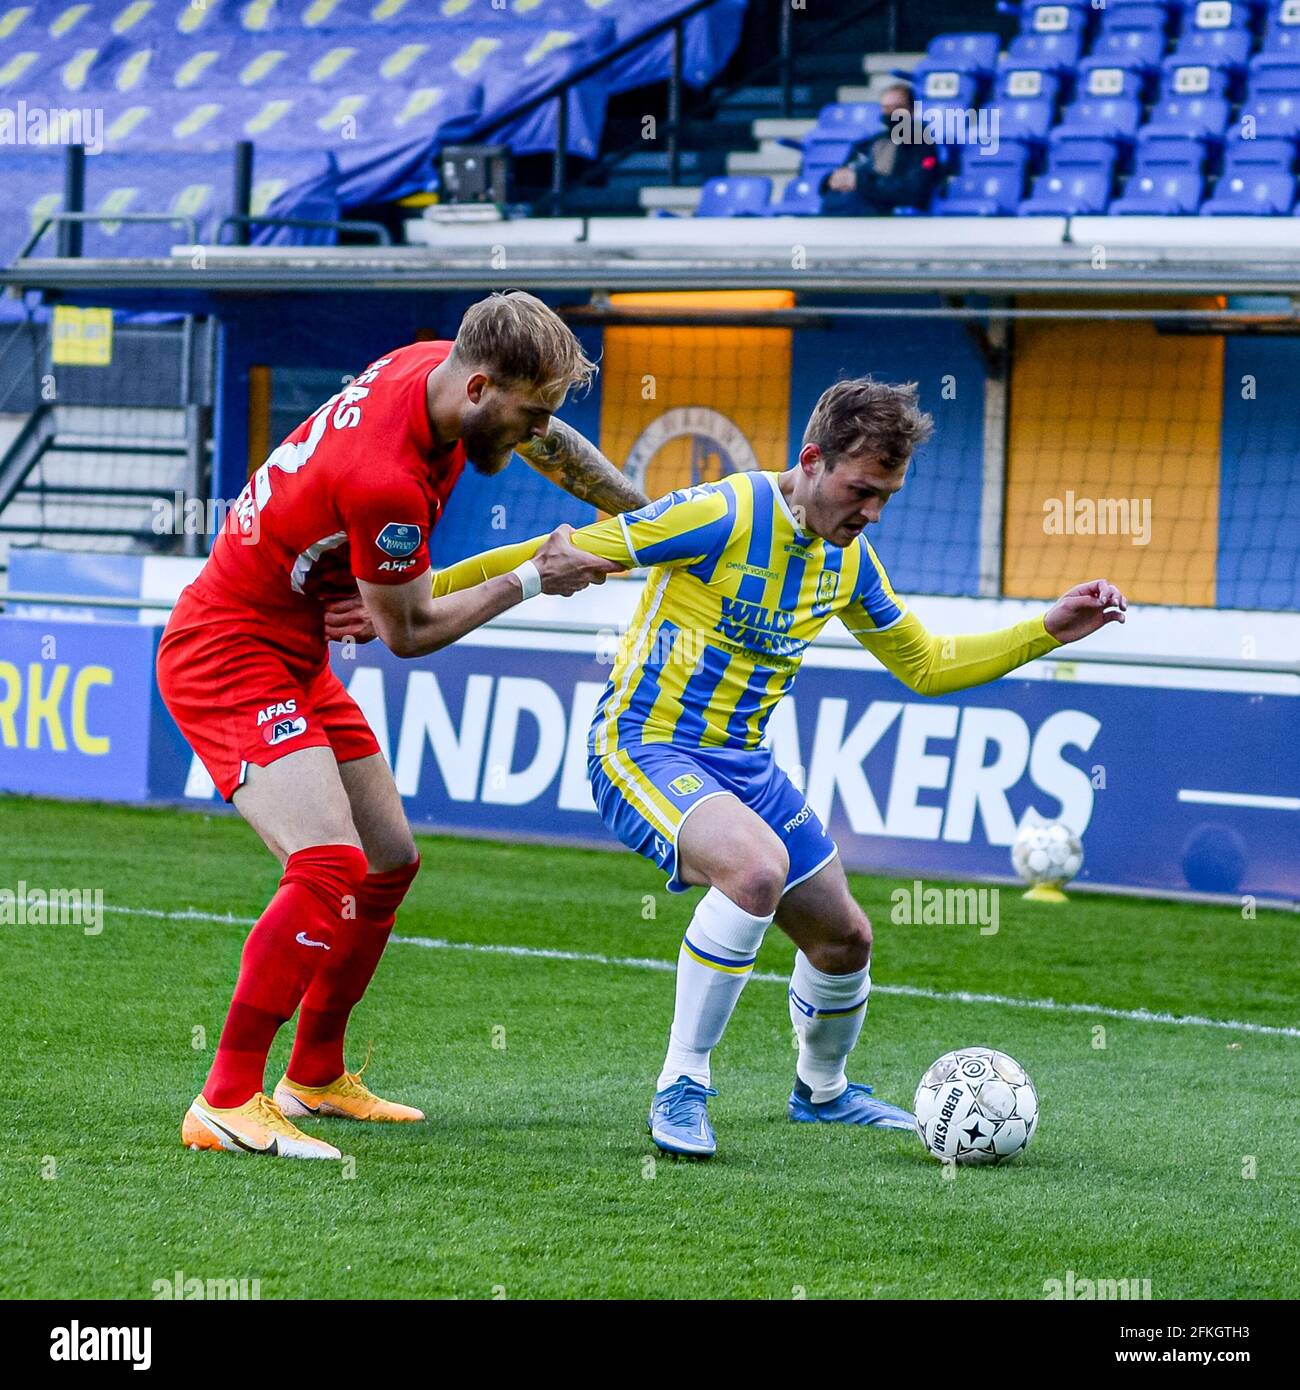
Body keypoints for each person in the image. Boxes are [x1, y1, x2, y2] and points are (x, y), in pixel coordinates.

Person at [428, 377, 1129, 1158]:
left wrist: (1047, 630)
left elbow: (927, 665)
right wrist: (418, 597)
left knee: (845, 940)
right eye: (862, 490)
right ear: (813, 460)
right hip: (643, 745)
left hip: (746, 768)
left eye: (888, 497)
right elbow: (551, 555)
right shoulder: (723, 512)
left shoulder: (849, 562)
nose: (872, 513)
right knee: (755, 871)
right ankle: (682, 1084)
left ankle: (822, 1093)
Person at [157, 290, 643, 1159]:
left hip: (292, 644)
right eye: (529, 414)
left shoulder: (435, 368)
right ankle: (225, 1099)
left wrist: (650, 518)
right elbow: (410, 634)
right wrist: (536, 578)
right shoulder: (386, 479)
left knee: (388, 859)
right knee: (328, 863)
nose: (537, 435)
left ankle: (314, 1074)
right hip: (228, 651)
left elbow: (543, 444)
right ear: (480, 387)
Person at [820, 83, 941, 217]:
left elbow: (914, 191)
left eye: (897, 108)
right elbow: (845, 171)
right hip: (851, 207)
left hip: (887, 216)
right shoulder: (868, 143)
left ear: (911, 110)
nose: (891, 113)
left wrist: (860, 182)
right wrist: (832, 180)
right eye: (886, 108)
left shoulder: (922, 146)